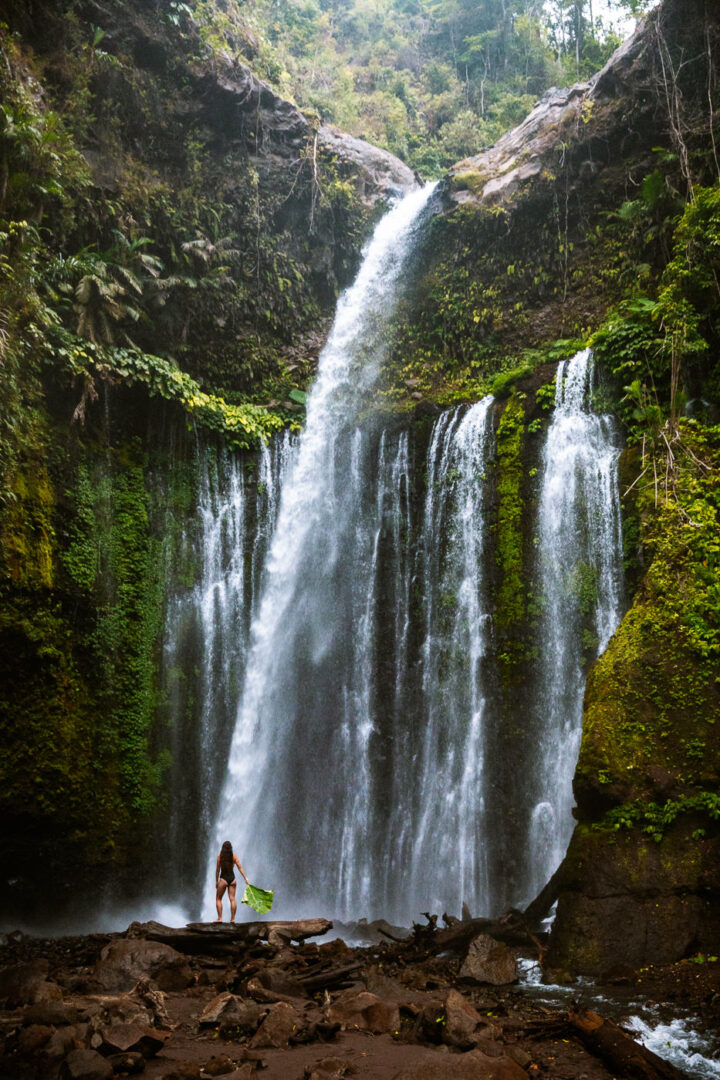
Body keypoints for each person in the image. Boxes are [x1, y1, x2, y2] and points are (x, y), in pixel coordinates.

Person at [214, 840, 249, 923]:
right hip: (232, 879)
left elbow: (218, 871)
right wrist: (245, 878)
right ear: (231, 848)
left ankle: (220, 918)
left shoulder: (219, 857)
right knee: (232, 899)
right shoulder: (234, 856)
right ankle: (232, 919)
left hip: (223, 879)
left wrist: (216, 881)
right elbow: (240, 867)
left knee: (218, 899)